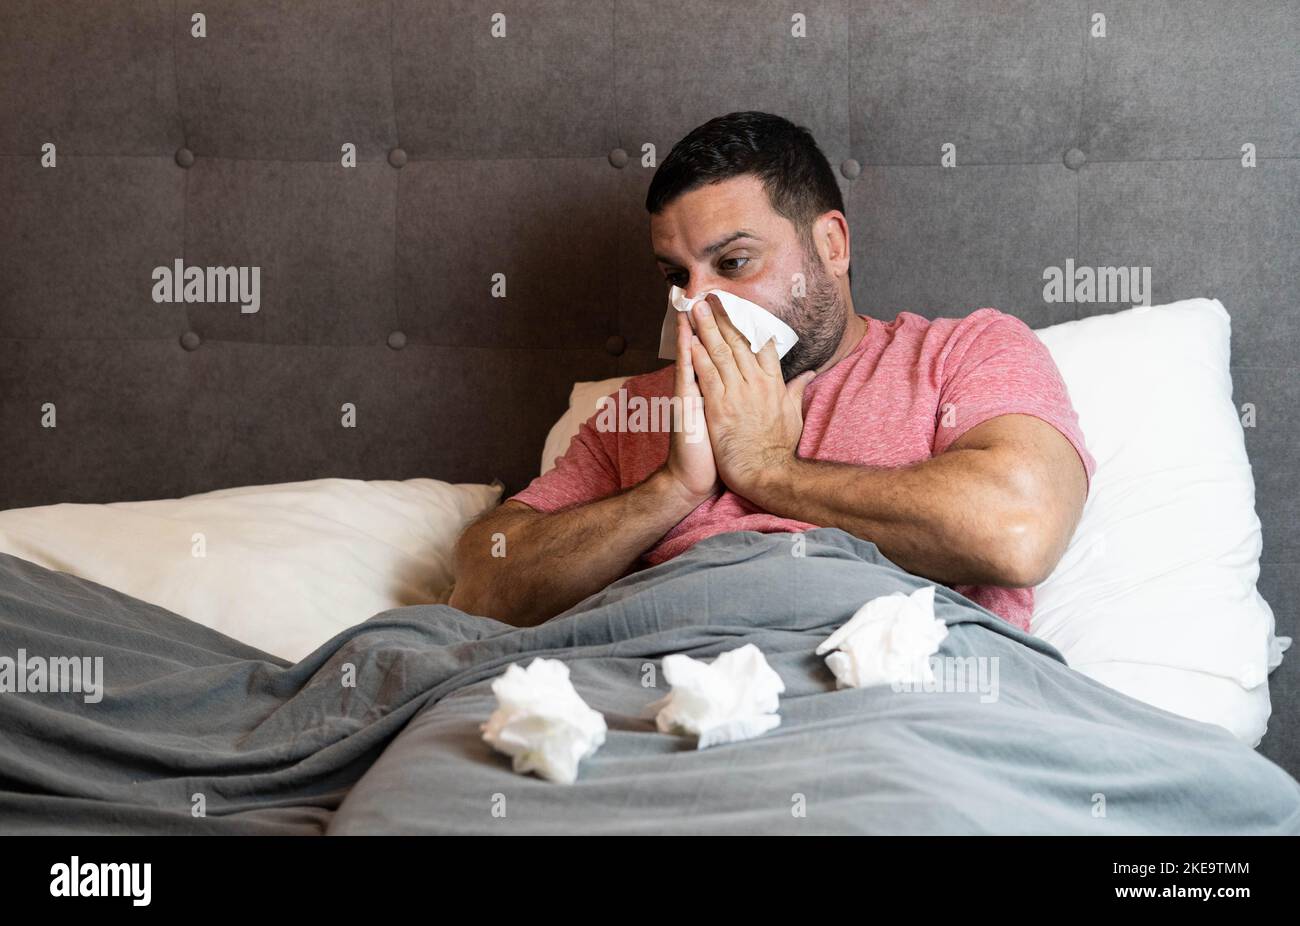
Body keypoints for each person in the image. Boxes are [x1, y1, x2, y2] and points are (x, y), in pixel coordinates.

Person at [450, 111, 1094, 632]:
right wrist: (672, 489)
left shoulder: (962, 353)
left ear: (831, 246)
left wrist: (768, 470)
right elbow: (482, 584)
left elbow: (1019, 531)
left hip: (887, 689)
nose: (693, 303)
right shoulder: (642, 407)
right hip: (660, 681)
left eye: (731, 263)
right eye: (676, 277)